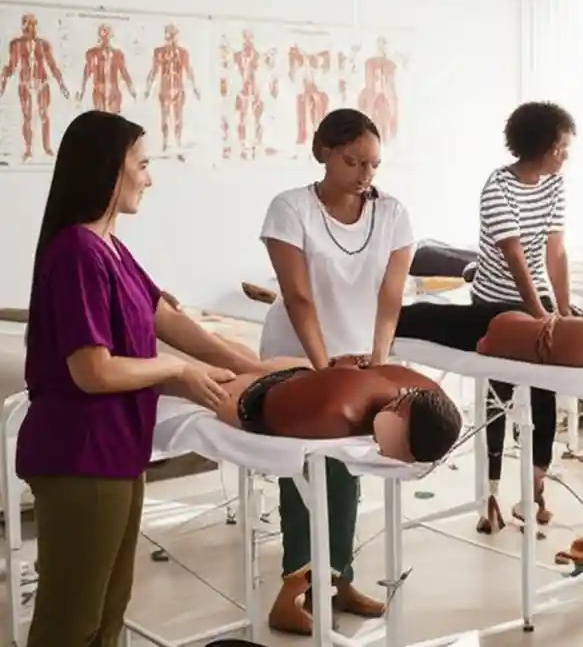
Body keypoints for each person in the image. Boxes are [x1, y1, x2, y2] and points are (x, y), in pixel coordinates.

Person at [16, 111, 267, 646]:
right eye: (144, 165)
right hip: (80, 456)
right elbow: (93, 370)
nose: (149, 179)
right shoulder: (78, 252)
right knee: (70, 622)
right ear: (110, 169)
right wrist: (178, 368)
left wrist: (249, 365)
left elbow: (167, 319)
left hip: (117, 452)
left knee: (109, 612)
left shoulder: (111, 248)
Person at [257, 107, 415, 635]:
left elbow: (390, 298)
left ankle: (339, 579)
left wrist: (378, 359)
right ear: (324, 150)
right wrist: (323, 369)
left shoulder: (392, 214)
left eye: (373, 163)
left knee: (347, 470)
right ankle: (292, 593)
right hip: (298, 354)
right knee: (305, 470)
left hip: (358, 356)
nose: (366, 175)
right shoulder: (290, 209)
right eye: (353, 161)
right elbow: (299, 297)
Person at [470, 101, 576, 533]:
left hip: (537, 300)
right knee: (498, 398)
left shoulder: (554, 186)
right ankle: (490, 495)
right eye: (564, 147)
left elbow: (556, 252)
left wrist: (563, 313)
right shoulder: (497, 187)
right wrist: (539, 317)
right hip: (493, 304)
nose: (567, 155)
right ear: (547, 147)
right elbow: (514, 257)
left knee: (545, 391)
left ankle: (533, 490)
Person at [202, 361, 462, 464]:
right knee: (200, 381)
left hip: (305, 373)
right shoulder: (339, 413)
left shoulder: (428, 391)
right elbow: (254, 418)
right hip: (257, 400)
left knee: (231, 360)